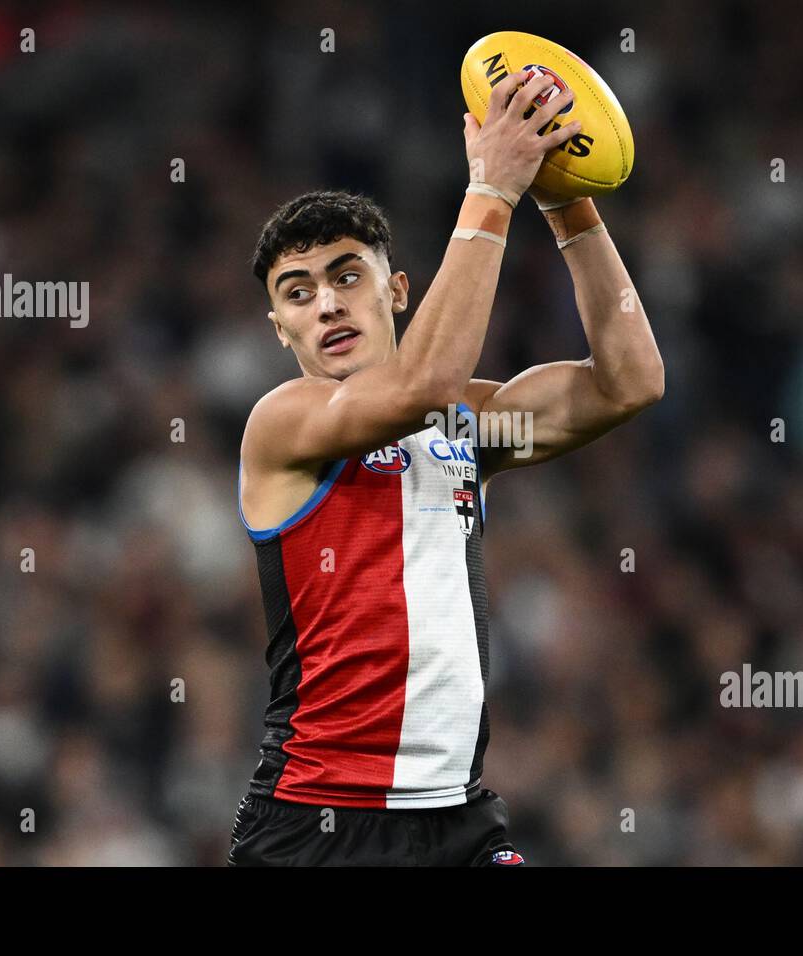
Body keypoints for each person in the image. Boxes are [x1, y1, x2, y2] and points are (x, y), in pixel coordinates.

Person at [229, 68, 664, 866]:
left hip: (458, 819)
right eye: (297, 293)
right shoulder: (282, 424)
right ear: (279, 329)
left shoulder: (466, 423)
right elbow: (419, 386)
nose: (325, 304)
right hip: (318, 826)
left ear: (398, 292)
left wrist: (567, 202)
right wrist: (494, 186)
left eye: (345, 276)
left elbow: (629, 380)